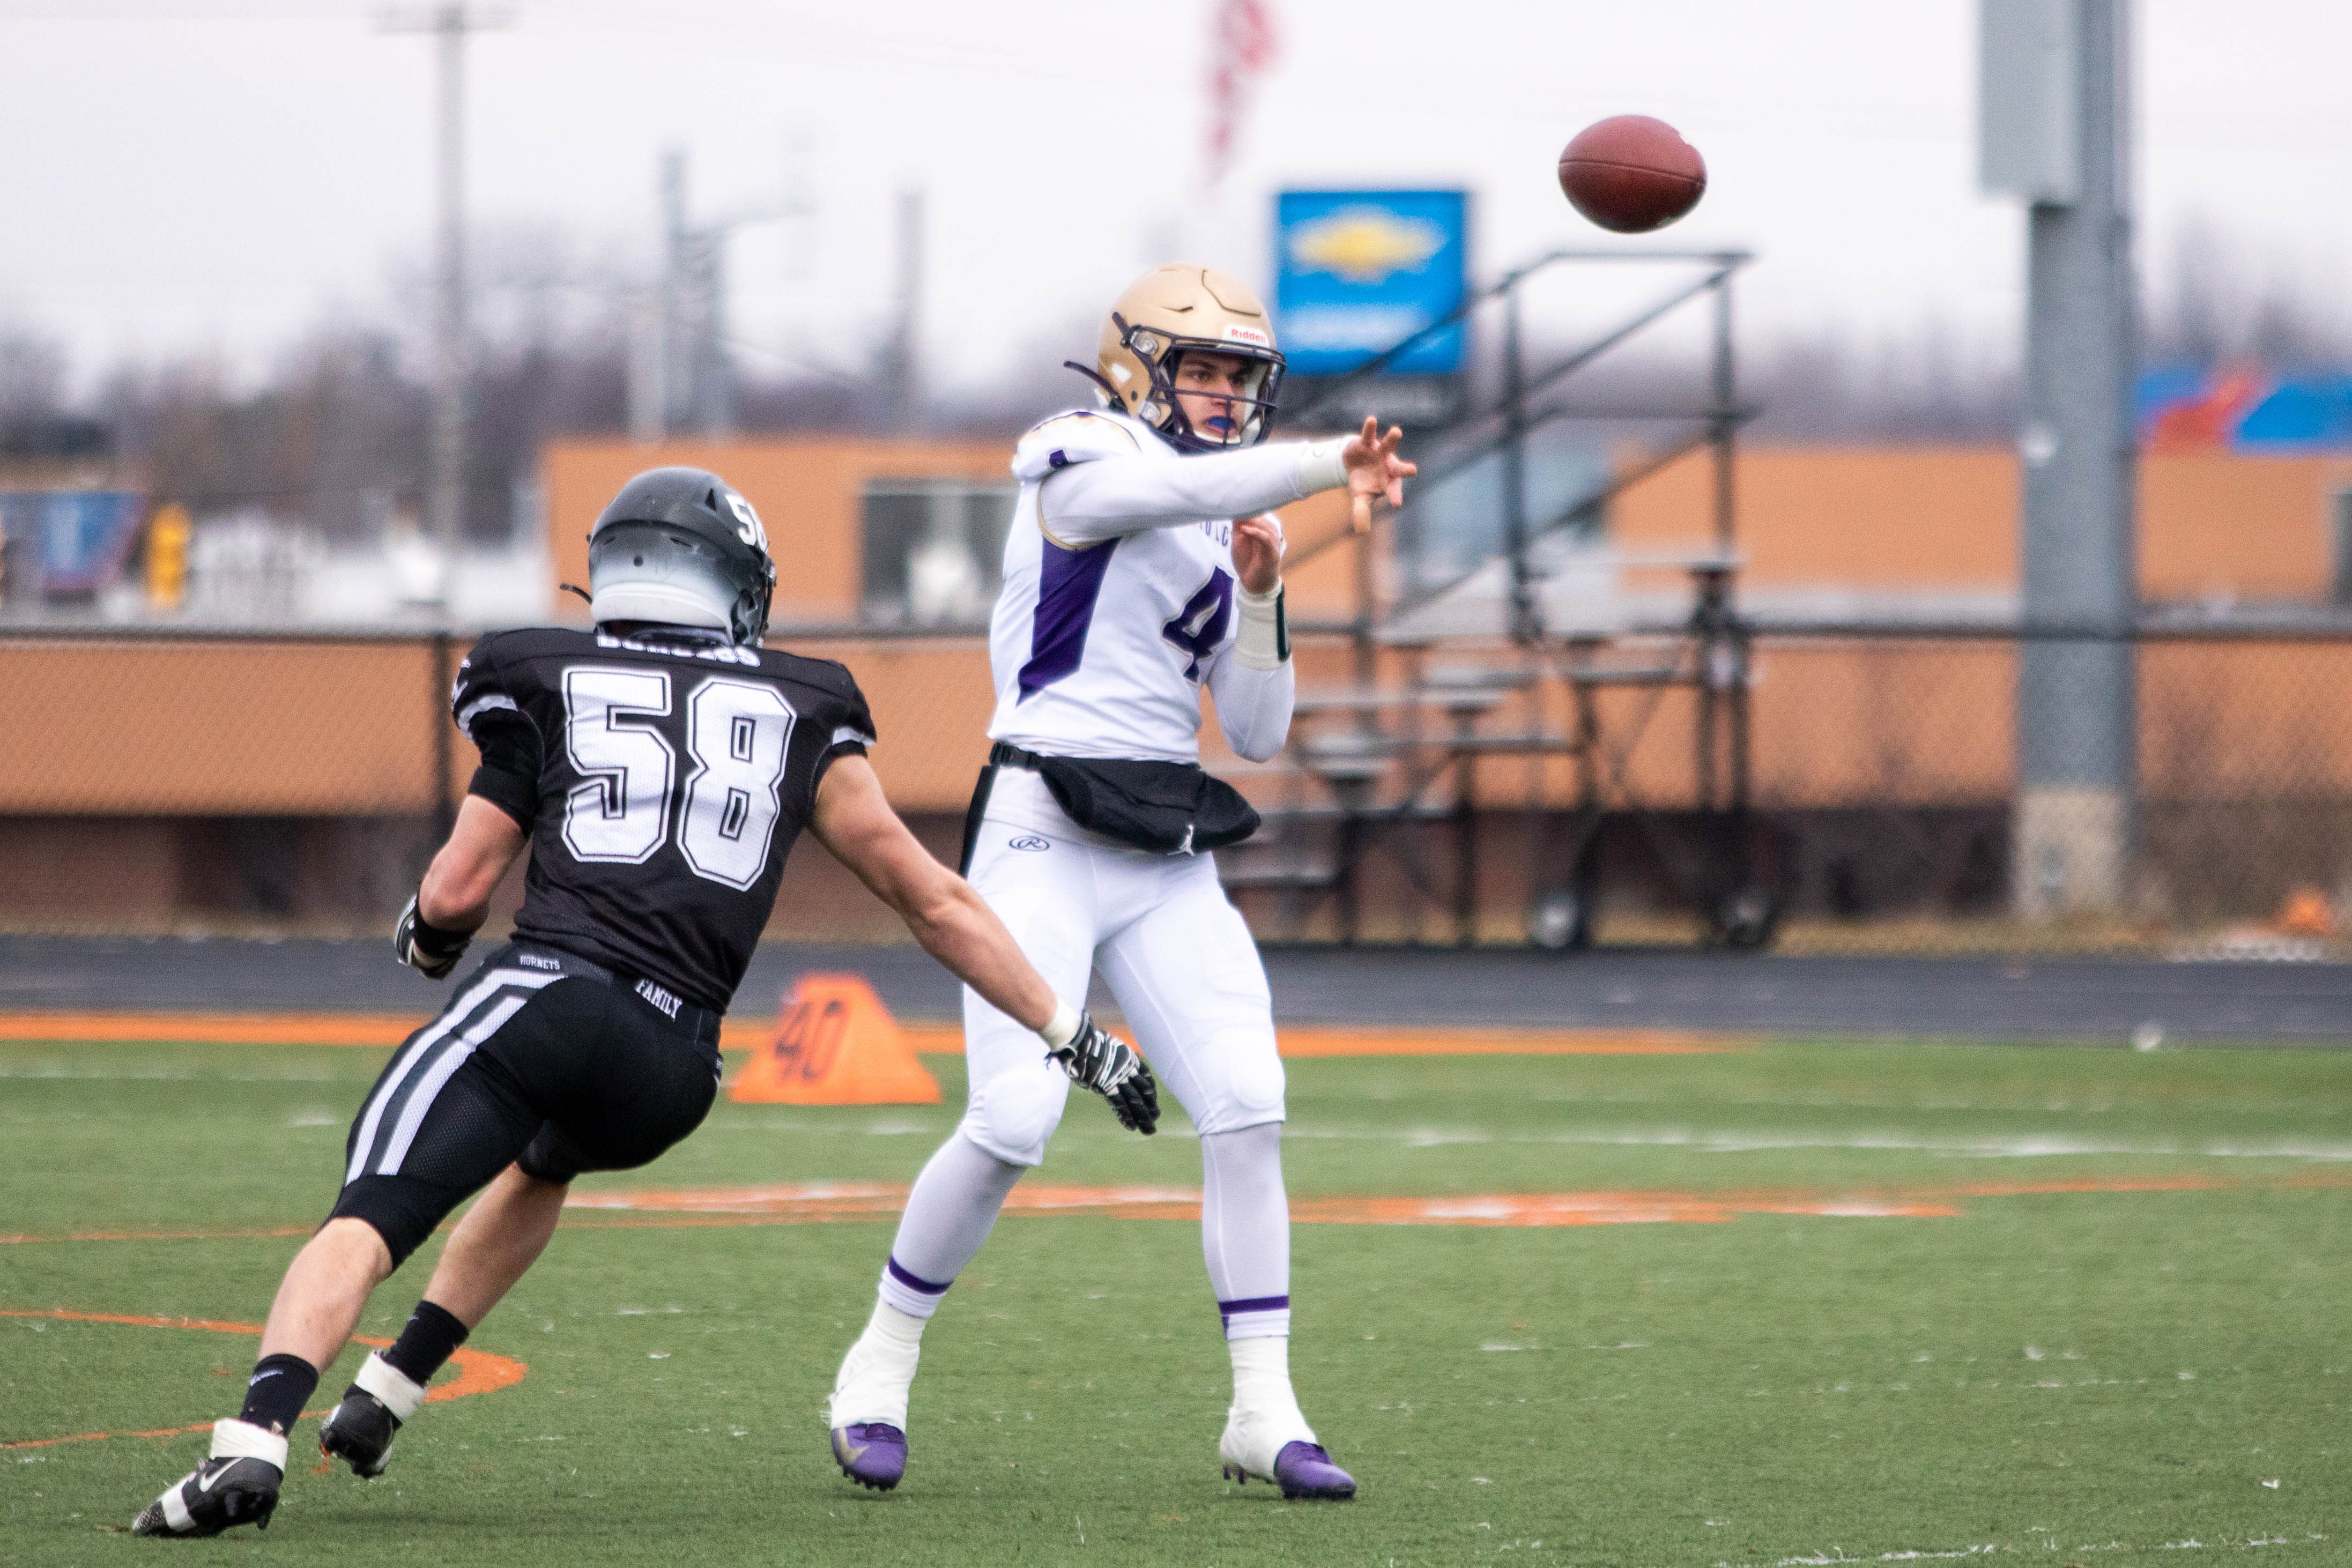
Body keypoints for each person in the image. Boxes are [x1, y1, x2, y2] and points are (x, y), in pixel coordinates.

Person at [133, 467, 1157, 1539]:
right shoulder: (802, 704)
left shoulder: (542, 674)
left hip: (554, 994)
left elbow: (456, 890)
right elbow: (935, 899)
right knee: (546, 1158)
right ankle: (391, 1387)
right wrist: (1072, 1033)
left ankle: (247, 1446)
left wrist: (427, 938)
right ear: (735, 586)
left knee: (369, 1216)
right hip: (675, 1068)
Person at [825, 263, 1413, 1501]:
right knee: (1014, 1119)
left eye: (1239, 376)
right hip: (1042, 819)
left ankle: (1264, 1407)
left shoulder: (1223, 513)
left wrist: (1260, 594)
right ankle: (877, 1364)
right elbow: (1180, 484)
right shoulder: (1081, 450)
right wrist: (1319, 470)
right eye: (1200, 367)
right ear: (1140, 366)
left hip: (1161, 839)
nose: (1220, 393)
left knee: (1249, 1102)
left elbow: (1253, 730)